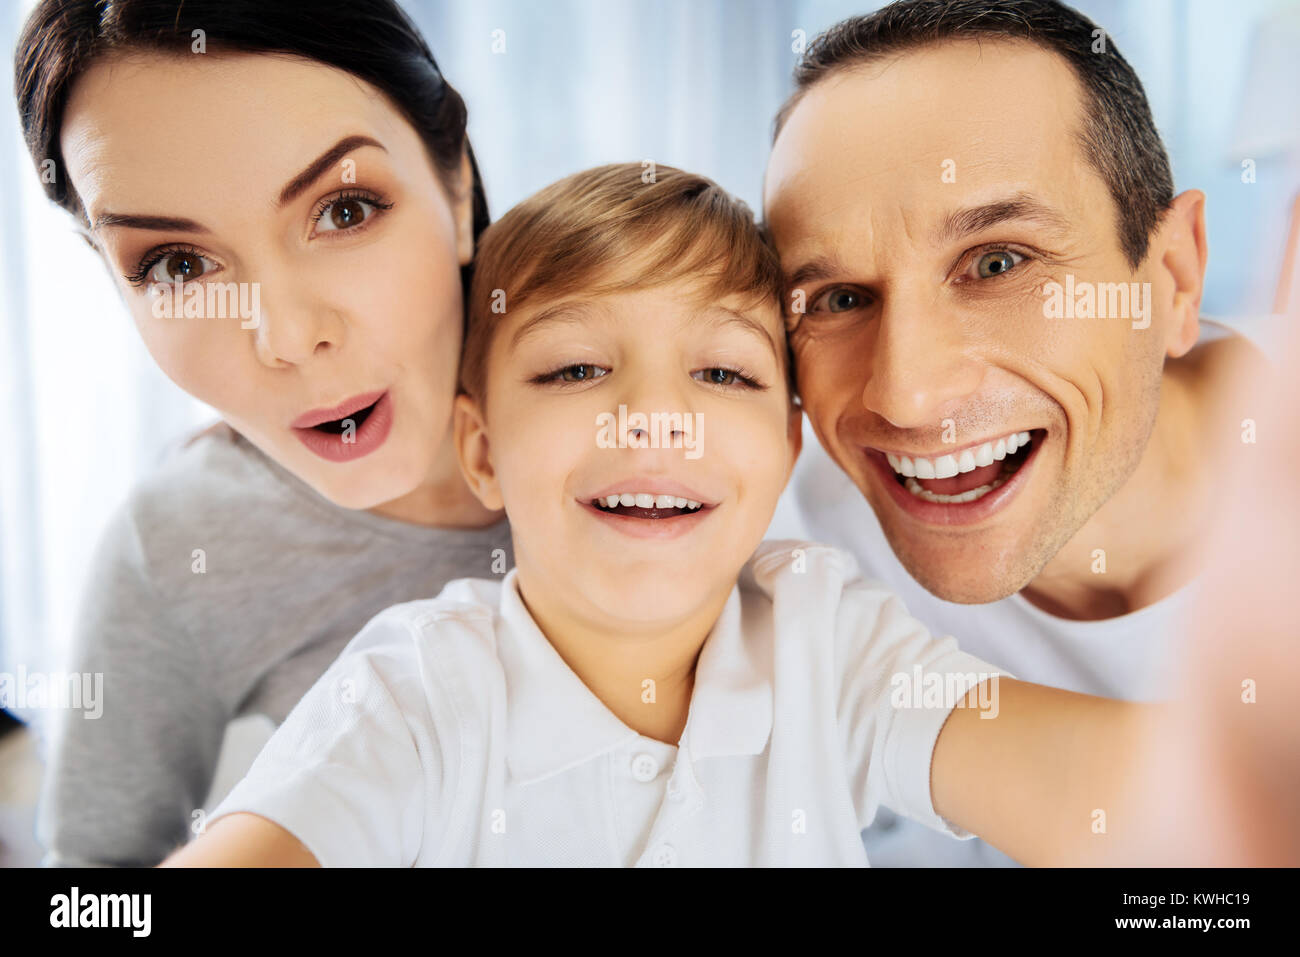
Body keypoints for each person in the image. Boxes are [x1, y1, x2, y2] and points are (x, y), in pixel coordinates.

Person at [161, 164, 1164, 868]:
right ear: (482, 453)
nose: (655, 418)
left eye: (722, 372)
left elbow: (1136, 795)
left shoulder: (823, 639)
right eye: (576, 368)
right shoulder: (414, 696)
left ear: (784, 448)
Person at [762, 0, 1270, 865]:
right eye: (840, 299)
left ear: (1174, 277)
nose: (909, 397)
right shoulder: (803, 533)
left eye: (998, 262)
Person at [13, 0, 511, 866]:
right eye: (178, 265)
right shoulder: (178, 545)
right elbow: (89, 890)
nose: (285, 337)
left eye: (344, 210)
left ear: (456, 186)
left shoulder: (675, 417)